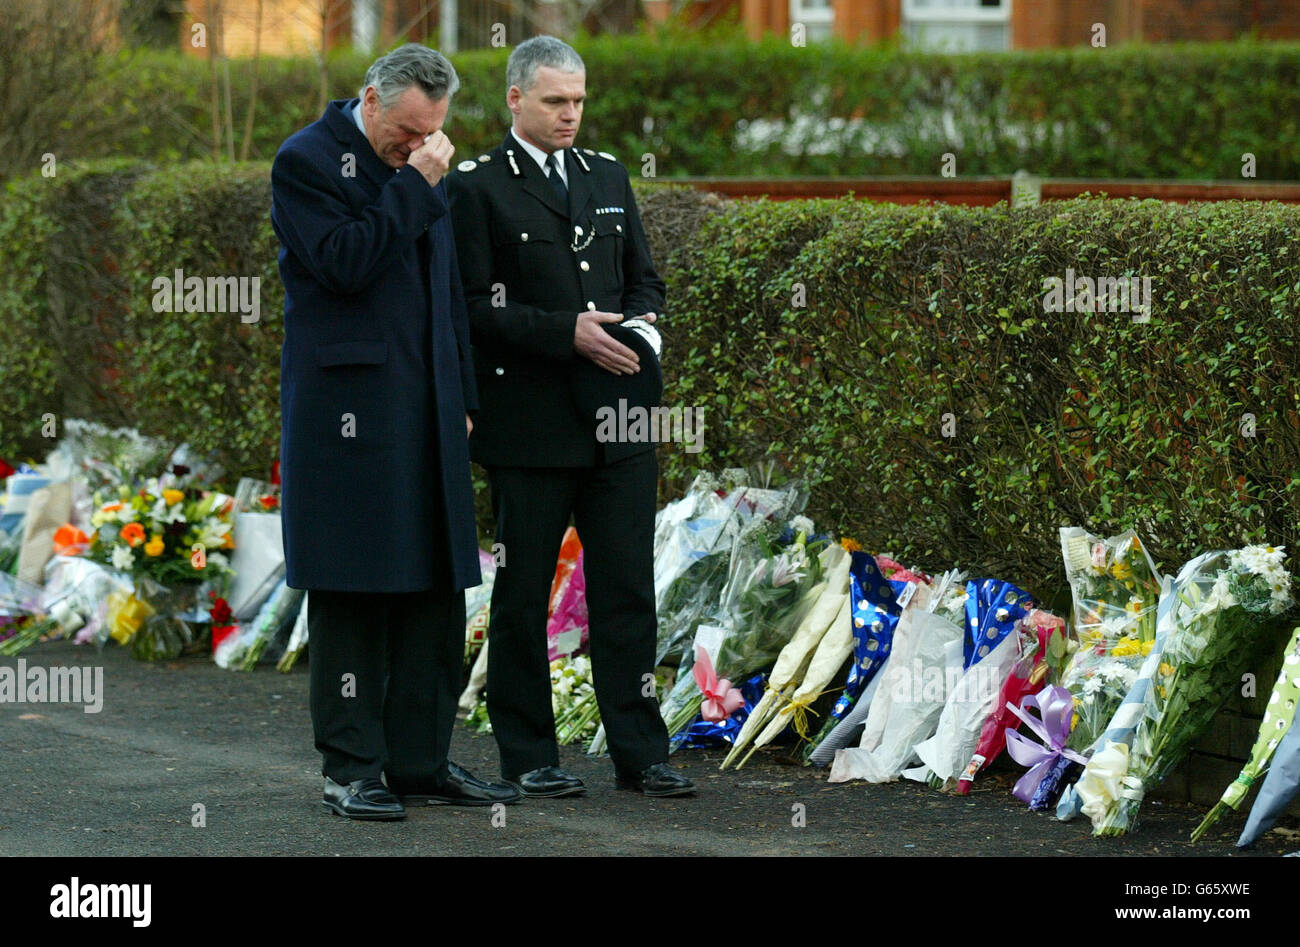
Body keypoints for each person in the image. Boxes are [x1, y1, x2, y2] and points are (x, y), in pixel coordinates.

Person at [271, 43, 520, 820]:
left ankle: (420, 759)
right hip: (347, 413)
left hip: (432, 403)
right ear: (370, 99)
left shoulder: (422, 165)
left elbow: (446, 284)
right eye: (405, 132)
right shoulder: (306, 162)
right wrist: (414, 182)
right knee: (351, 591)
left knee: (436, 589)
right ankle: (351, 768)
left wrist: (466, 391)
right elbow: (346, 262)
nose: (417, 146)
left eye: (430, 133)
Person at [447, 35, 694, 798]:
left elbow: (643, 279)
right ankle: (530, 755)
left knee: (627, 588)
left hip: (619, 419)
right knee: (522, 597)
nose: (570, 115)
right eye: (555, 101)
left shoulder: (607, 174)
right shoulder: (477, 186)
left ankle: (640, 752)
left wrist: (642, 331)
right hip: (531, 424)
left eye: (579, 100)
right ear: (516, 99)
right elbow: (470, 307)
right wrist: (565, 331)